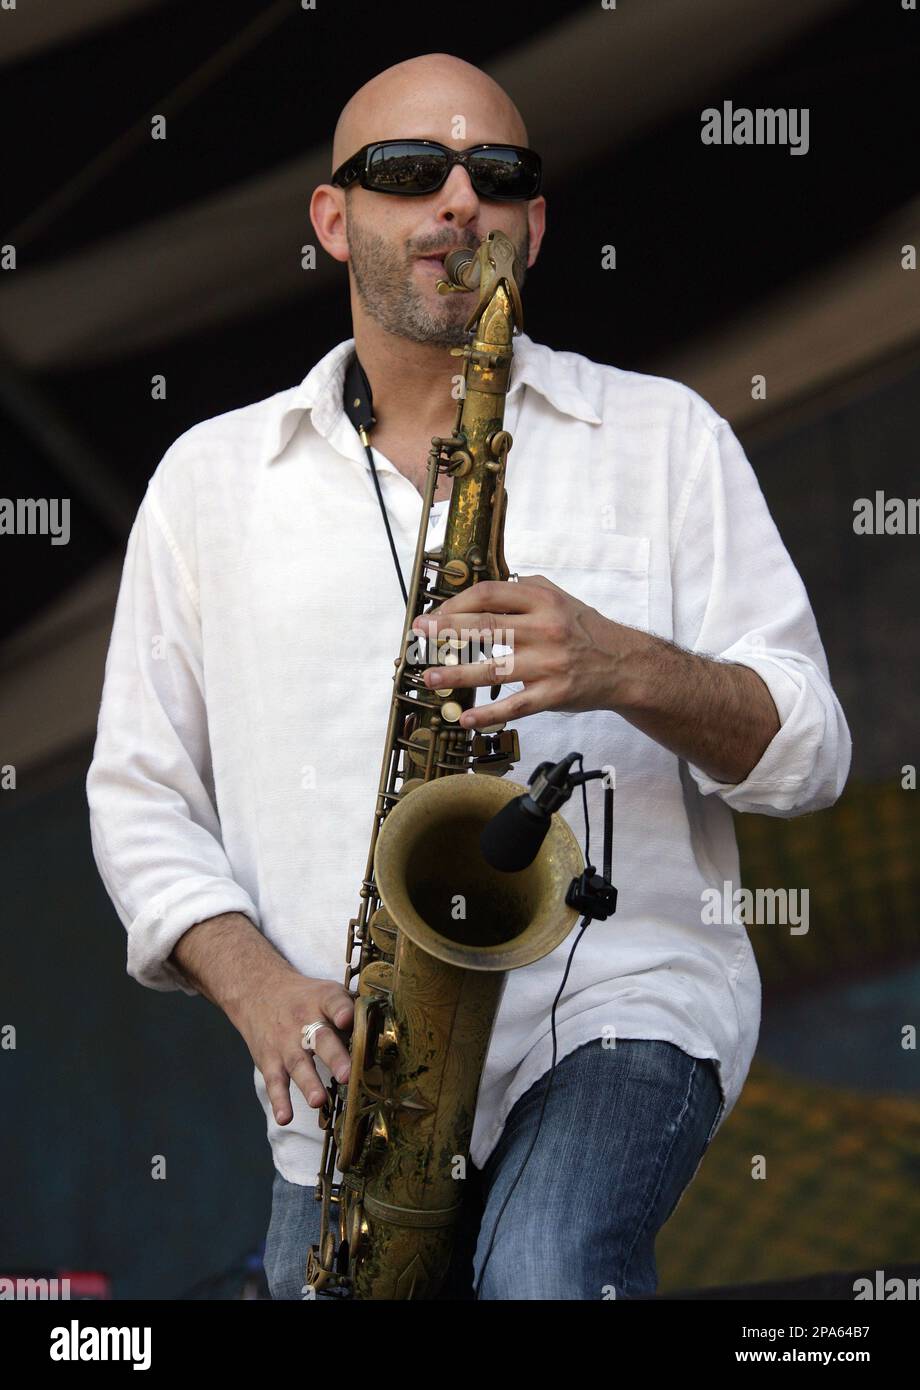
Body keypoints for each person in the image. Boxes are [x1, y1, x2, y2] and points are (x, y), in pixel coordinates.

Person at [86, 52, 851, 1301]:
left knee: (546, 1272)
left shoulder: (662, 438)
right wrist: (260, 988)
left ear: (533, 225)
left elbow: (810, 750)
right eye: (407, 172)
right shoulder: (207, 485)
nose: (458, 202)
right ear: (333, 220)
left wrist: (620, 663)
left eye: (494, 175)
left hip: (618, 1004)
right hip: (355, 1072)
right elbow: (139, 794)